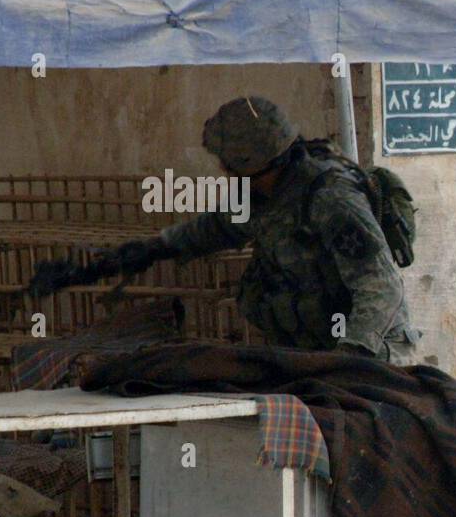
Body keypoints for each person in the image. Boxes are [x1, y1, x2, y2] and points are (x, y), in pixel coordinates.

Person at [39, 96, 419, 363]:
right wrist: (146, 252)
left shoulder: (331, 198)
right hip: (315, 353)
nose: (222, 170)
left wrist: (351, 357)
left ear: (248, 163)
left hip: (369, 355)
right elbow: (213, 229)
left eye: (225, 162)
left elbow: (380, 286)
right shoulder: (267, 193)